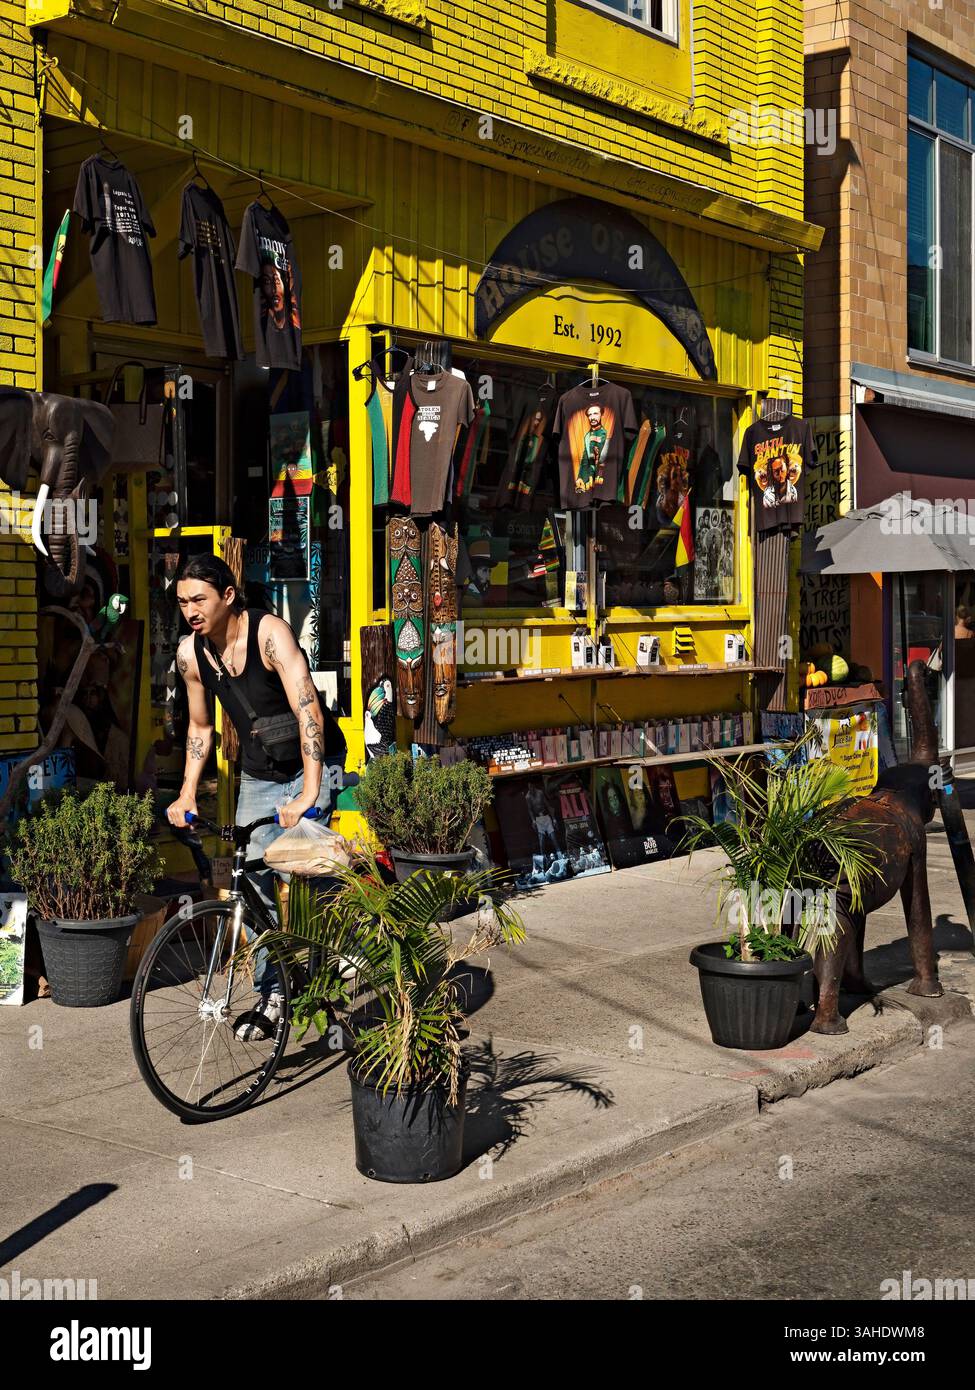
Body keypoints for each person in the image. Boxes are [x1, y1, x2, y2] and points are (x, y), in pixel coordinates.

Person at [166, 554, 346, 1039]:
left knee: (308, 877)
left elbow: (306, 704)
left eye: (199, 599)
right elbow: (201, 728)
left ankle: (338, 962)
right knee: (248, 881)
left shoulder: (270, 634)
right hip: (260, 773)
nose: (191, 610)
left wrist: (310, 790)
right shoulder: (191, 654)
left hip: (314, 762)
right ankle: (274, 995)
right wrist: (186, 793)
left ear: (228, 595)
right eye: (183, 601)